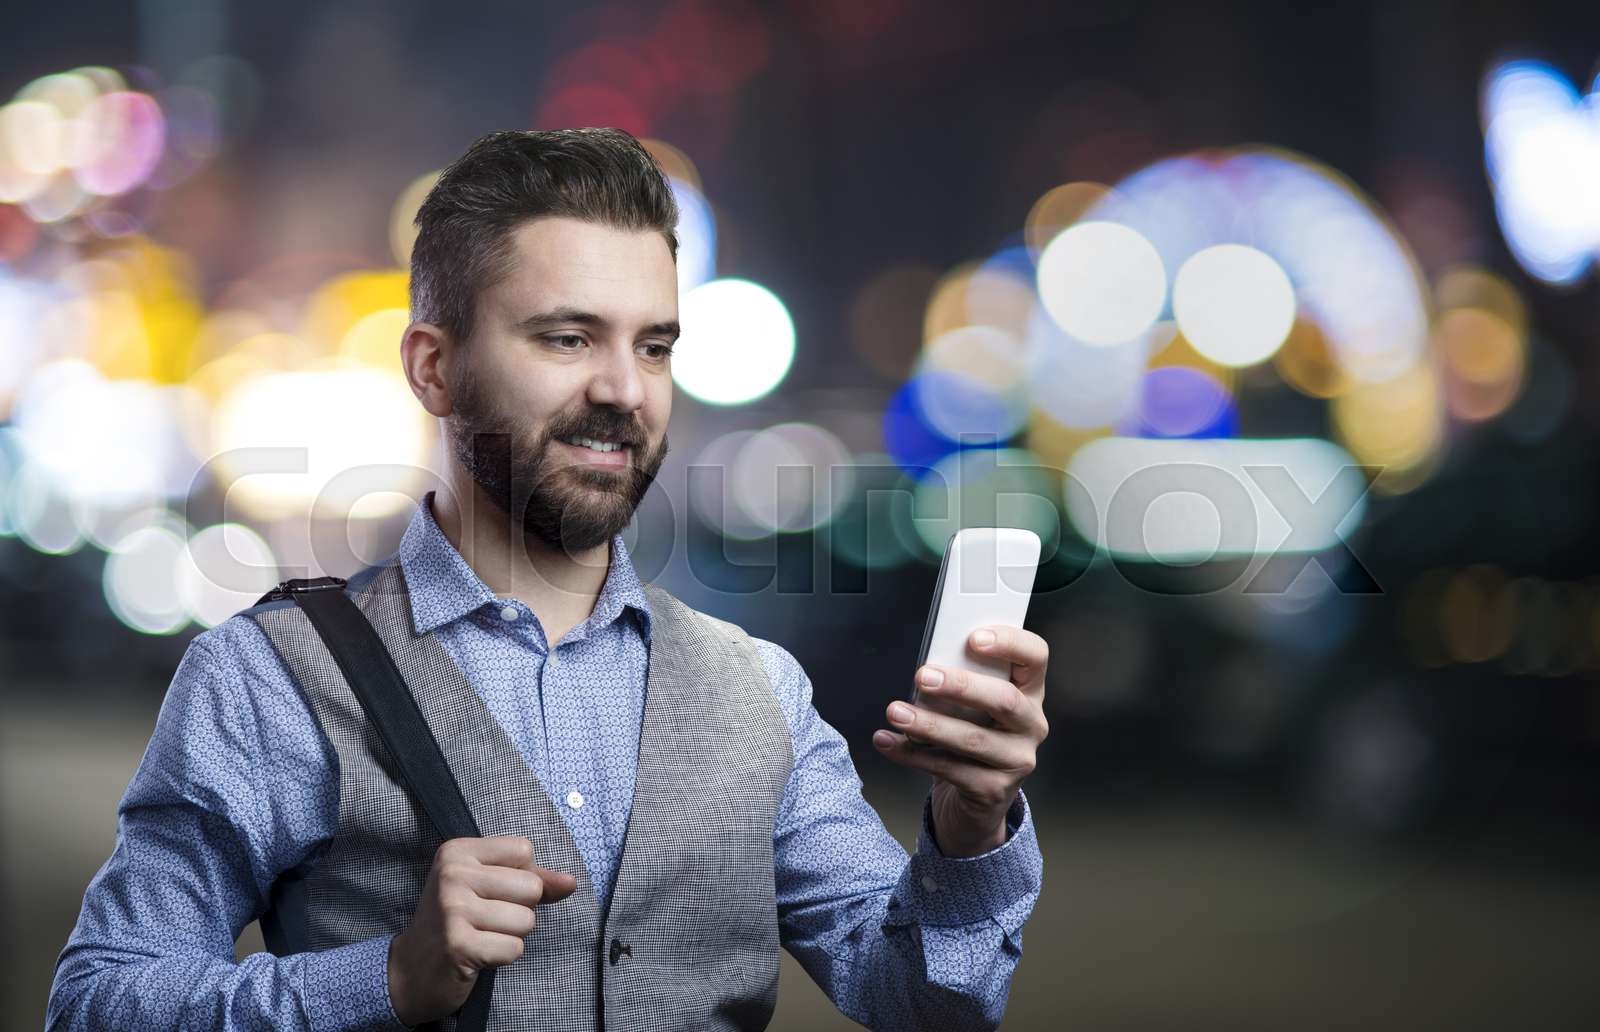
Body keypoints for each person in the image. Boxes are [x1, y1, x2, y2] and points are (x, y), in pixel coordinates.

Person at [45, 127, 1049, 1031]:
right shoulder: (266, 682)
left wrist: (968, 829)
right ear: (434, 369)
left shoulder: (760, 693)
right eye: (567, 338)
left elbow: (920, 1000)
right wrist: (386, 980)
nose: (621, 389)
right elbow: (100, 1001)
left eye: (652, 346)